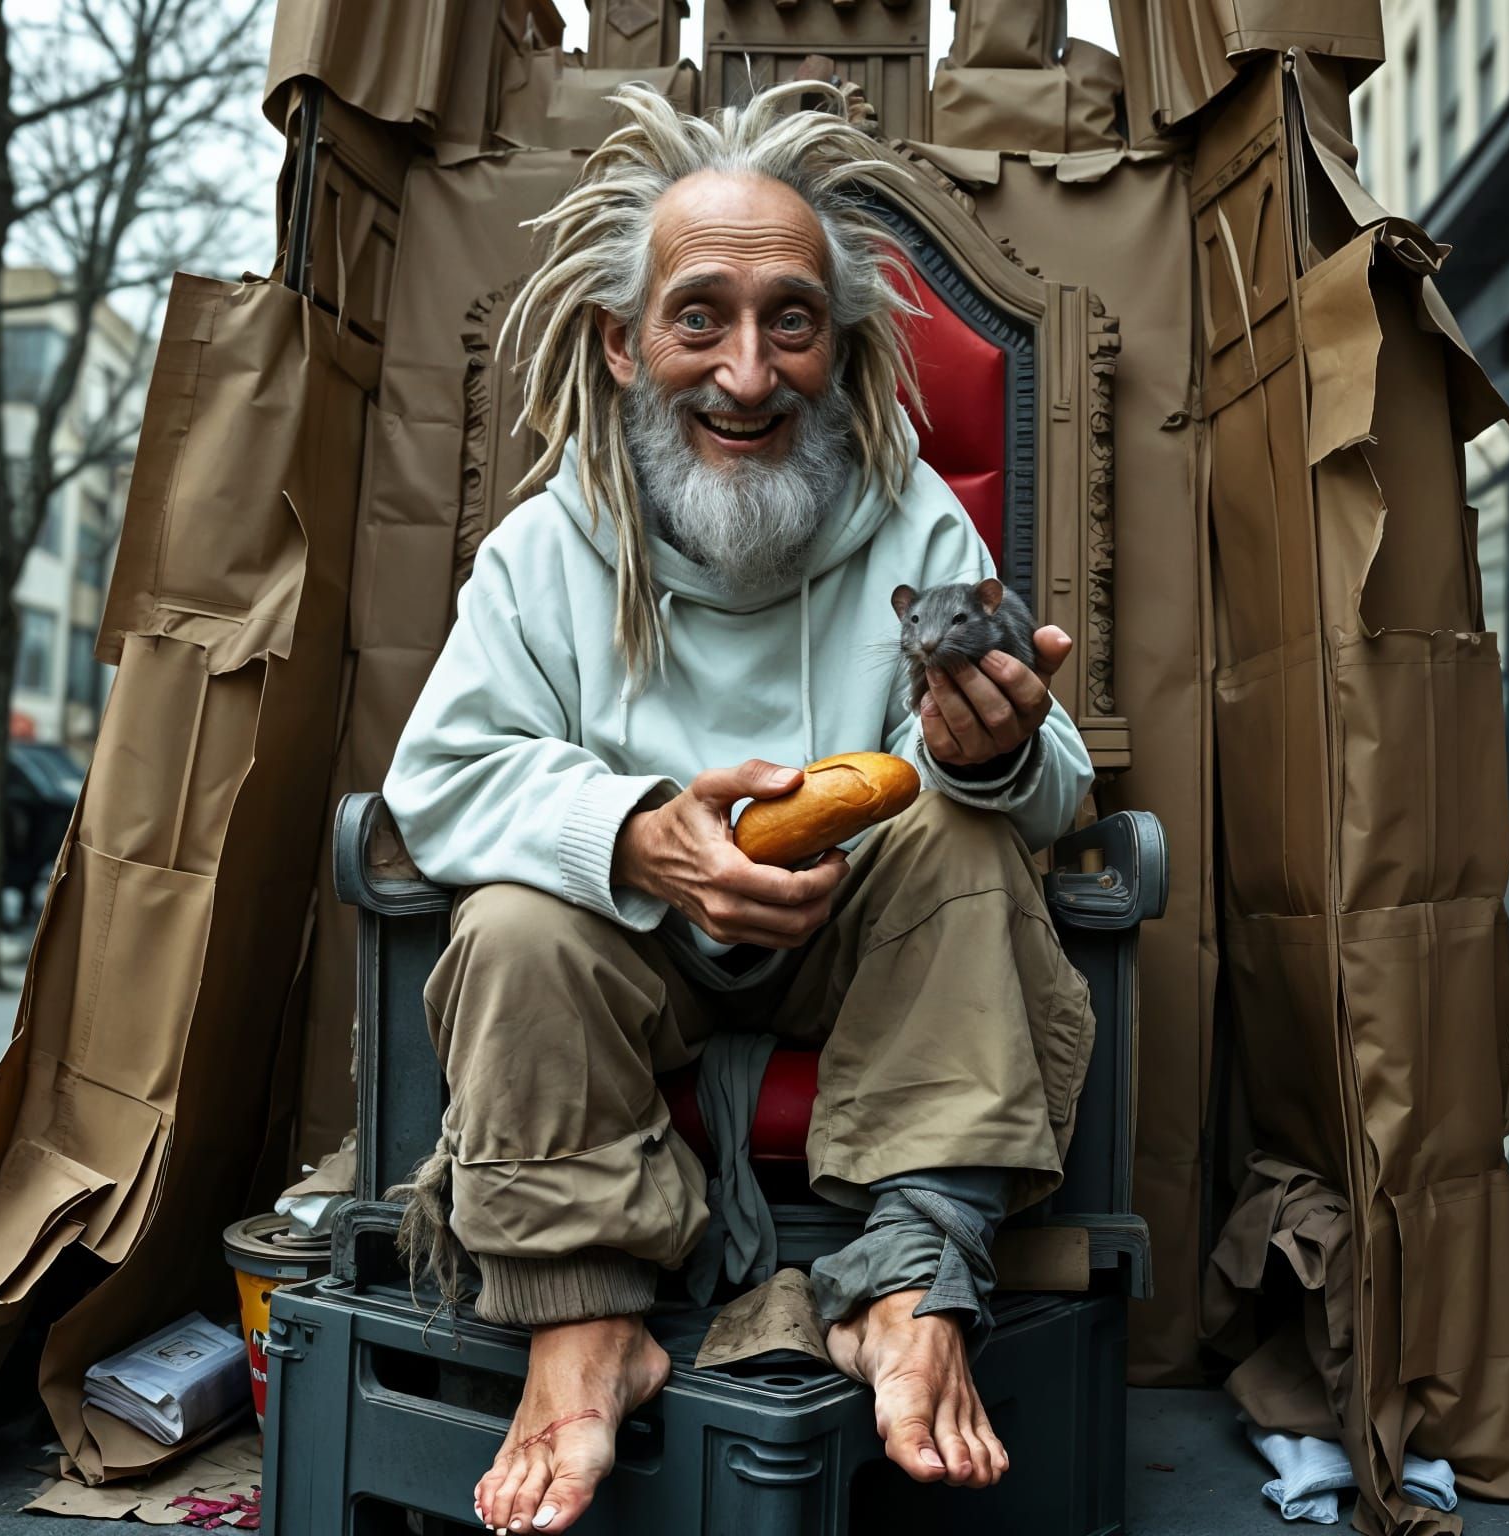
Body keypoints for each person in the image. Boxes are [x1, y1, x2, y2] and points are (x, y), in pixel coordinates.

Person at [383, 79, 1096, 1536]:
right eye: (698, 316)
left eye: (791, 322)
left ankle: (907, 1282)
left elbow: (1056, 789)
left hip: (858, 959)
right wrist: (638, 834)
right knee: (515, 918)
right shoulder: (544, 549)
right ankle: (583, 1316)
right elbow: (437, 779)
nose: (749, 375)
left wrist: (995, 748)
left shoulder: (910, 521)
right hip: (620, 972)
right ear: (624, 344)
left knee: (959, 834)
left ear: (836, 353)